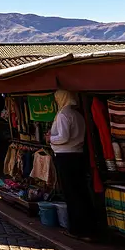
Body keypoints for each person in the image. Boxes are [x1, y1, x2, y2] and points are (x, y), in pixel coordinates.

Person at [46, 89, 94, 240]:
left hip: (65, 157)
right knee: (81, 192)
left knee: (71, 194)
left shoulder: (63, 115)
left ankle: (77, 230)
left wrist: (50, 138)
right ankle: (89, 229)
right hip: (78, 155)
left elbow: (64, 137)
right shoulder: (78, 115)